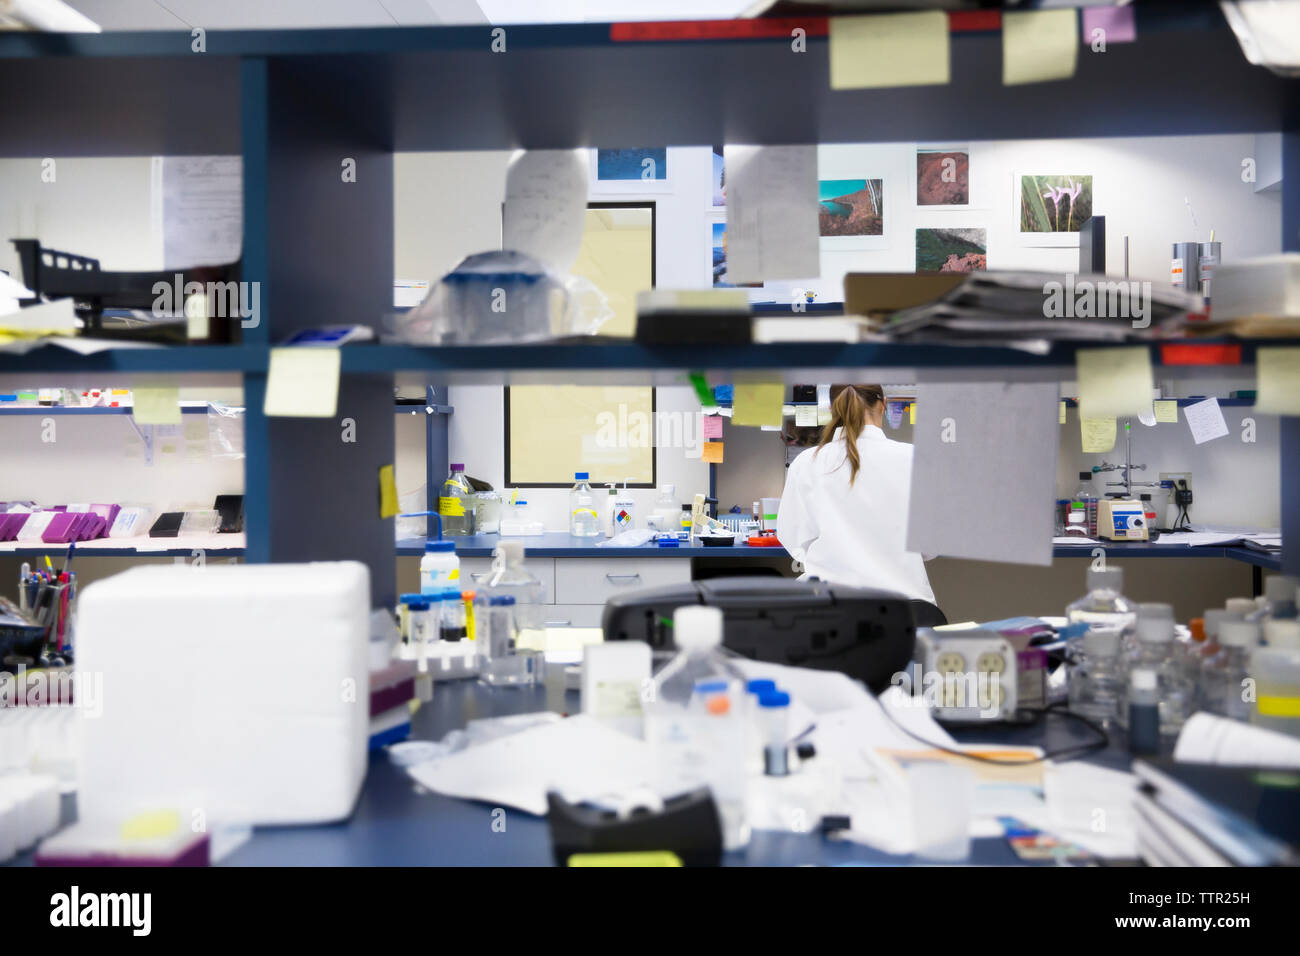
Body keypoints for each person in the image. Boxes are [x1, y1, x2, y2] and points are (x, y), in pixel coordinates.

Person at [776, 384, 936, 606]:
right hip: (905, 612)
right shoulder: (915, 459)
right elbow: (931, 545)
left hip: (831, 610)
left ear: (832, 408)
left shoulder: (807, 463)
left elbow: (794, 542)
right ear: (884, 405)